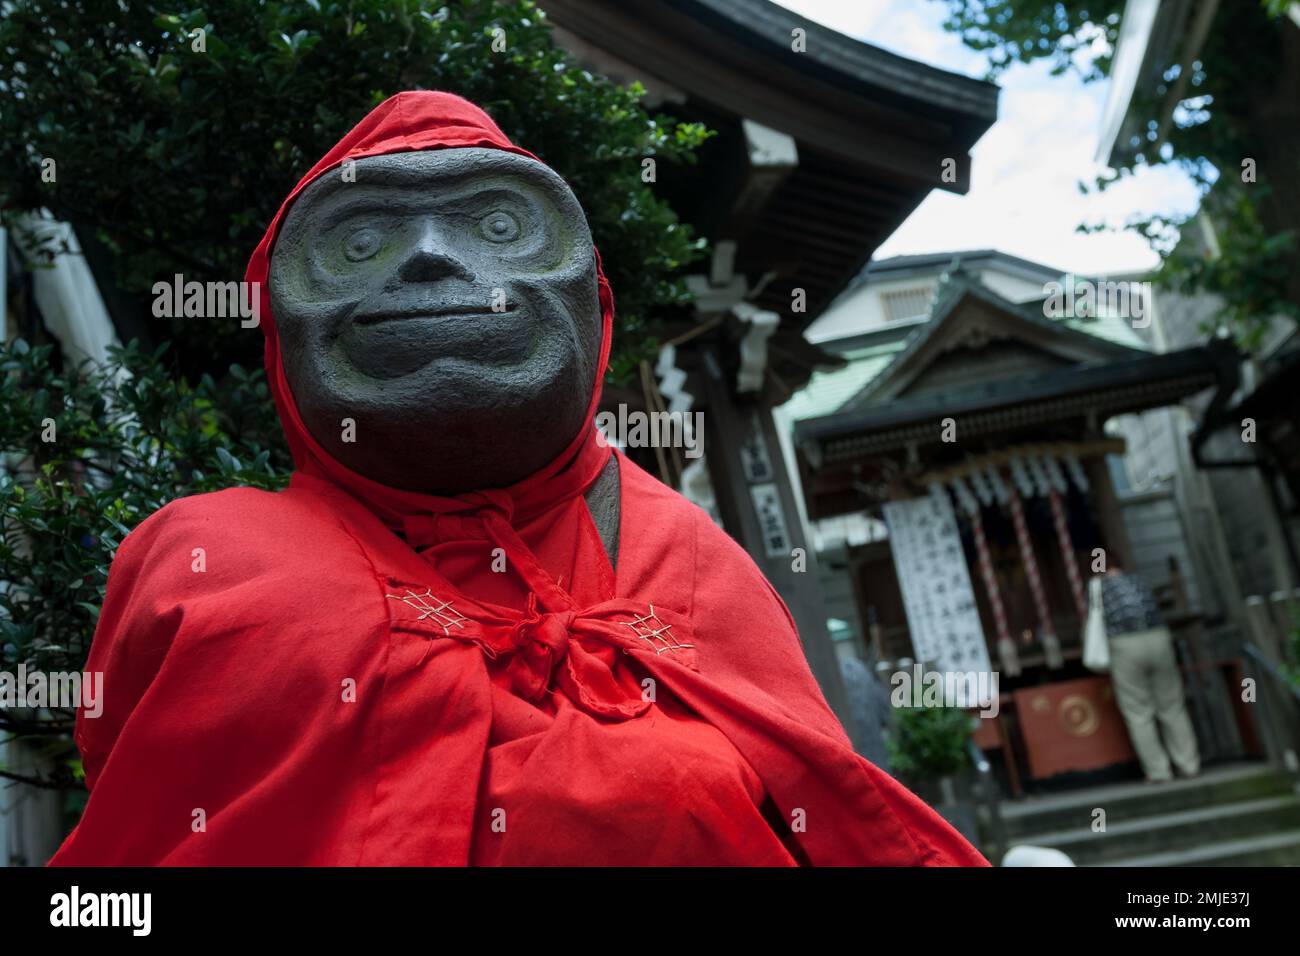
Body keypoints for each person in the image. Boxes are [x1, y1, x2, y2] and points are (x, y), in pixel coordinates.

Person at [47, 91, 985, 866]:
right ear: (282, 332)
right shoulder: (207, 559)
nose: (427, 257)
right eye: (363, 239)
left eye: (498, 224)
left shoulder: (678, 552)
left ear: (594, 303)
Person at [1097, 562, 1201, 783]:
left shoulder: (1098, 588)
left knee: (1138, 713)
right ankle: (1189, 765)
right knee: (1173, 706)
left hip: (1124, 644)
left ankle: (1159, 772)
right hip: (1158, 637)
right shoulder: (1138, 581)